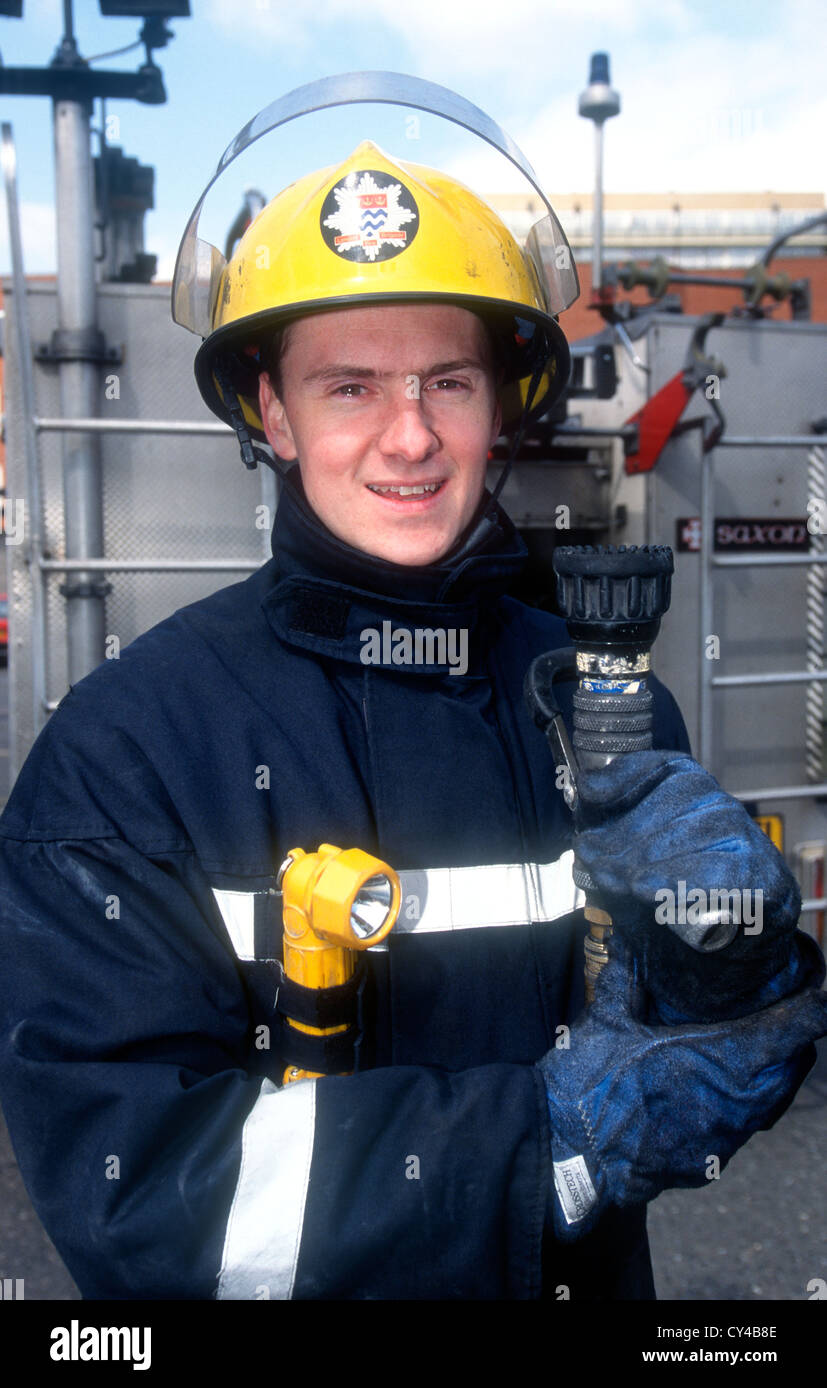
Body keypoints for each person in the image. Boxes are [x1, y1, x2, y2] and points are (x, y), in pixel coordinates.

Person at [0, 95, 825, 1303]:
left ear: (501, 404)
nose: (408, 438)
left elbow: (675, 1064)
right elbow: (144, 1203)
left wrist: (732, 969)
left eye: (447, 381)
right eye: (347, 387)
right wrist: (550, 1145)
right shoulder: (123, 756)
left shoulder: (603, 705)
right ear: (269, 412)